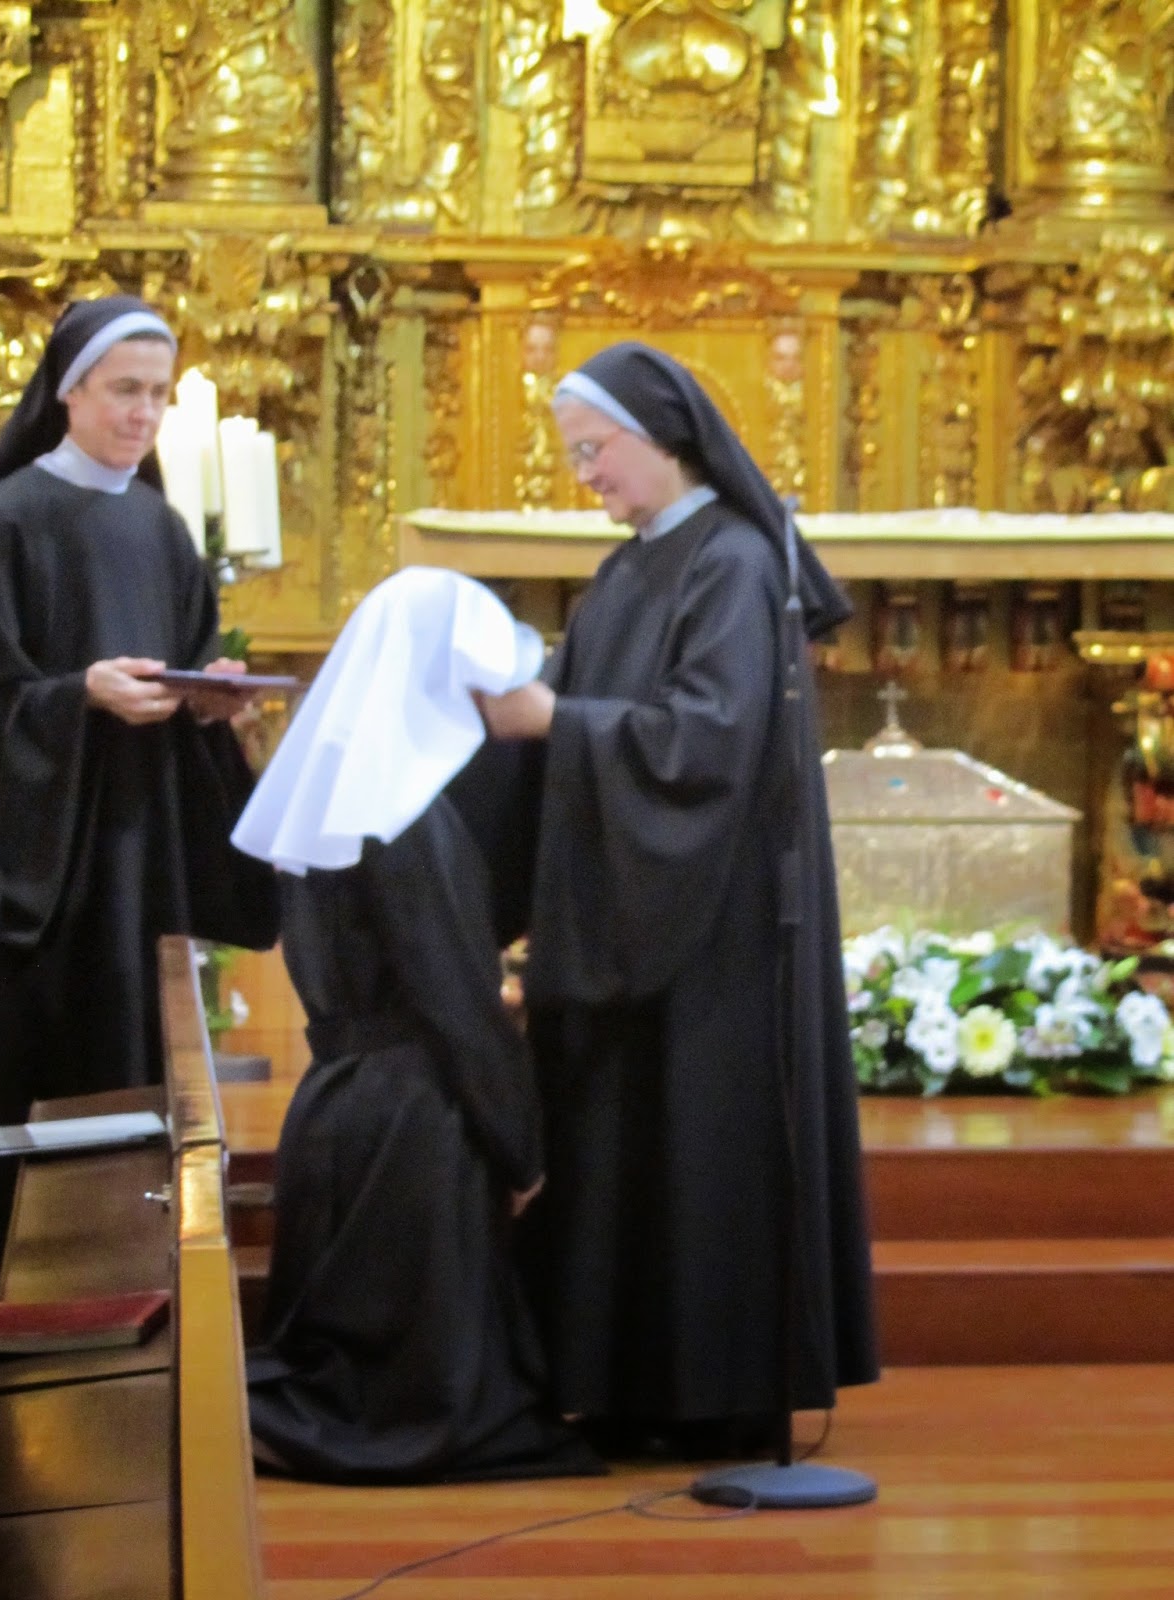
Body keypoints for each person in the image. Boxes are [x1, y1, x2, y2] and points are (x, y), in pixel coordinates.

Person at [474, 340, 879, 1459]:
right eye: (573, 455)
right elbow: (574, 721)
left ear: (662, 435)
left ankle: (717, 1398)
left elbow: (703, 742)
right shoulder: (625, 572)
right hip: (632, 905)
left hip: (718, 927)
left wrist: (549, 720)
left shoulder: (736, 562)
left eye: (593, 450)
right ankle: (620, 1386)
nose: (584, 475)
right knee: (619, 1154)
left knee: (705, 1148)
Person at [236, 570, 602, 1483]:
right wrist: (522, 1146)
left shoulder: (342, 792)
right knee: (411, 1404)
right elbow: (459, 1008)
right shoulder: (410, 818)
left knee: (343, 1355)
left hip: (340, 1103)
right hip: (414, 1120)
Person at [0, 295, 279, 1286]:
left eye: (158, 394)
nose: (142, 414)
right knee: (39, 1068)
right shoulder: (5, 518)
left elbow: (191, 663)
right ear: (67, 392)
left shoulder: (161, 529)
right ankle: (22, 1290)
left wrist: (209, 706)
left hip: (139, 849)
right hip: (43, 868)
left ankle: (118, 1287)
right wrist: (75, 698)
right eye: (123, 391)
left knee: (135, 1068)